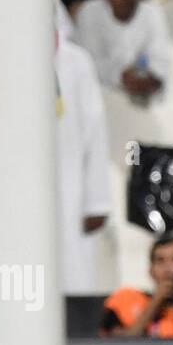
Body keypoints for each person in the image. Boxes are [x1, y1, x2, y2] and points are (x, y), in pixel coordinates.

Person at [55, 28, 113, 295]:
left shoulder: (75, 61)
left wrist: (97, 201)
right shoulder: (3, 56)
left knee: (72, 266)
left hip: (70, 189)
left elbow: (95, 130)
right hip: (21, 190)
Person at [74, 0, 171, 104]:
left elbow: (161, 59)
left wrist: (151, 78)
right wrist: (120, 76)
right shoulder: (89, 11)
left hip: (145, 99)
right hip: (101, 99)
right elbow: (87, 63)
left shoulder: (152, 12)